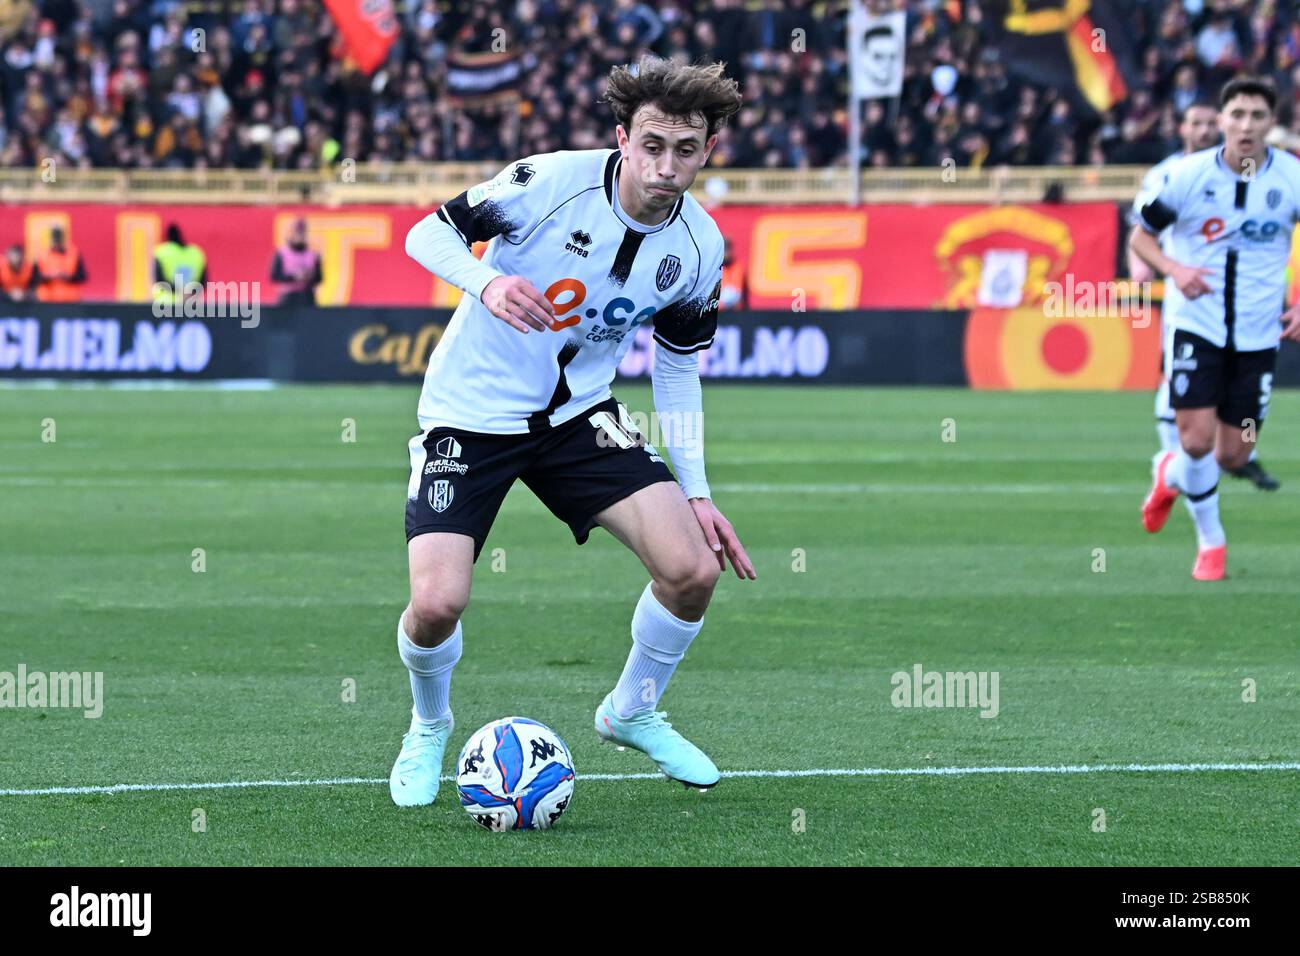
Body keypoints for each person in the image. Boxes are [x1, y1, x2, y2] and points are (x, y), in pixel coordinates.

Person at [394, 56, 756, 808]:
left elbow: (678, 370)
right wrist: (487, 282)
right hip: (472, 411)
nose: (666, 166)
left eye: (685, 150)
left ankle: (631, 711)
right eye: (652, 145)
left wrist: (697, 492)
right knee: (436, 605)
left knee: (694, 570)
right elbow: (426, 236)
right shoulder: (550, 183)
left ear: (708, 150)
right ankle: (429, 725)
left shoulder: (699, 248)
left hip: (577, 416)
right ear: (623, 137)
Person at [1131, 78, 1300, 581]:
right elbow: (1141, 237)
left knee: (1235, 452)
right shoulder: (1186, 175)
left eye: (1256, 116)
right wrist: (1175, 271)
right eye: (1237, 115)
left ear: (1272, 124)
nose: (1246, 126)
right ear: (1223, 120)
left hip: (1257, 337)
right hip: (1196, 330)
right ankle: (1211, 546)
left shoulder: (1290, 177)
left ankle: (1168, 474)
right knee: (1197, 441)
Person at [1131, 102, 1278, 490]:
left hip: (1242, 301)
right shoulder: (1166, 175)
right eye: (1195, 122)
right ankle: (1173, 462)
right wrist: (1146, 268)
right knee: (1180, 383)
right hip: (1188, 297)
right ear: (1182, 128)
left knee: (1237, 388)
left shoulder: (1253, 172)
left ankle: (1234, 454)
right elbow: (1142, 229)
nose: (1203, 130)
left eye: (1210, 122)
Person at [270, 218, 321, 306]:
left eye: (302, 233)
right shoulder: (282, 253)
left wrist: (308, 277)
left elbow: (319, 277)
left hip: (307, 295)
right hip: (288, 296)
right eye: (297, 232)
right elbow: (275, 276)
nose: (299, 236)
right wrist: (294, 277)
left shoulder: (313, 254)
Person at [152, 223, 208, 306]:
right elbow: (203, 282)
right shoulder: (196, 253)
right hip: (191, 305)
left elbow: (159, 280)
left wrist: (177, 292)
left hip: (165, 305)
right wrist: (188, 293)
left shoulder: (161, 252)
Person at [32, 226, 87, 302]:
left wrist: (68, 278)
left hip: (69, 300)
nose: (57, 241)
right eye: (55, 237)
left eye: (58, 237)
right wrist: (48, 277)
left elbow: (82, 276)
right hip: (47, 301)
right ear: (51, 239)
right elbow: (34, 278)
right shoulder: (41, 255)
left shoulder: (74, 254)